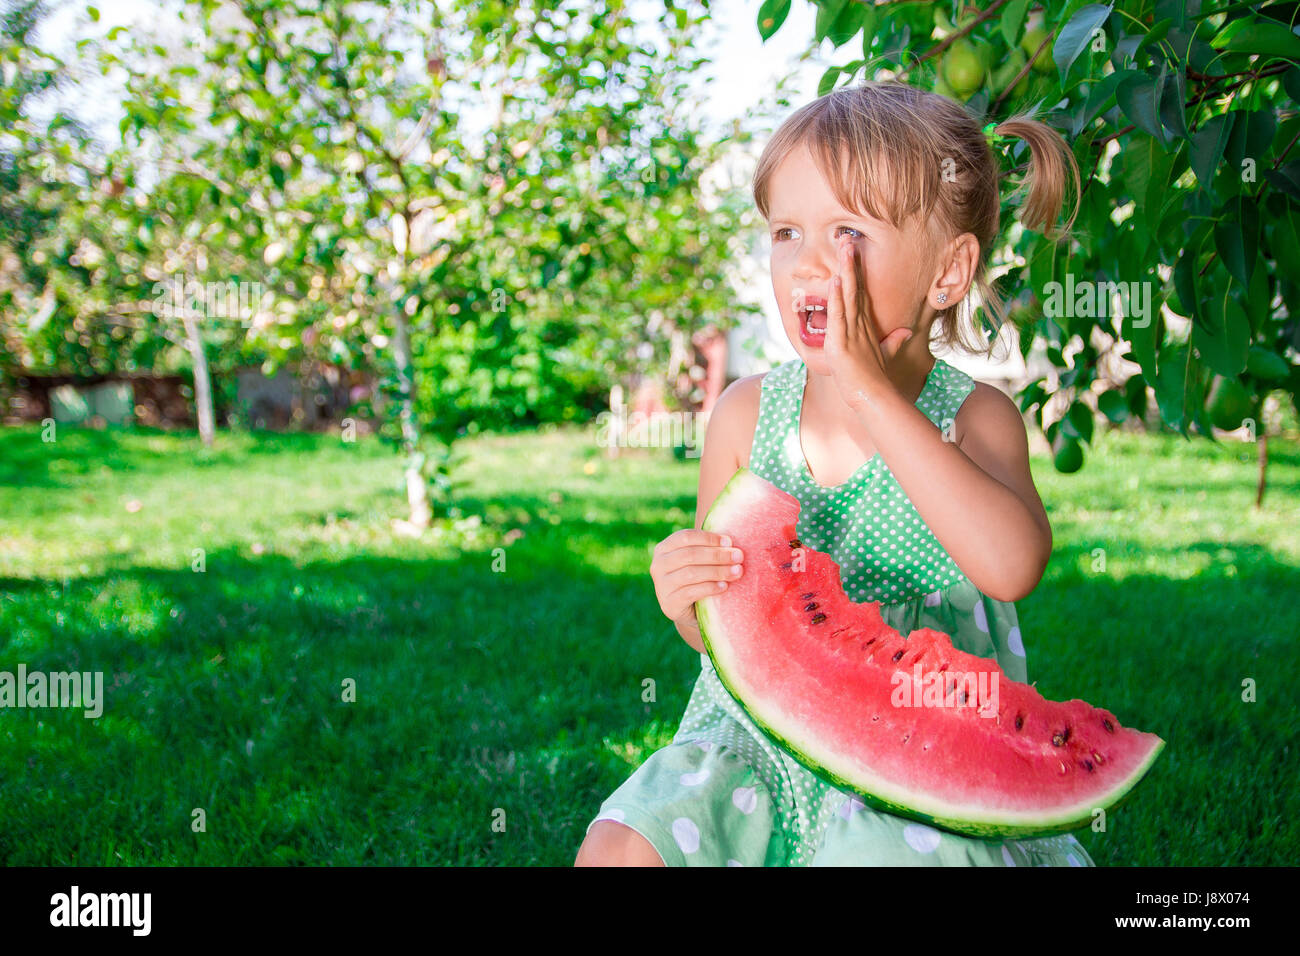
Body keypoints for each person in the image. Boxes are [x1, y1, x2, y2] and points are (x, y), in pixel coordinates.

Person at [575, 80, 1089, 866]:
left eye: (847, 230)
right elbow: (727, 635)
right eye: (786, 231)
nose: (808, 261)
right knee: (621, 847)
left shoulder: (976, 417)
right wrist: (685, 596)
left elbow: (1012, 564)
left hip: (925, 733)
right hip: (755, 738)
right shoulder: (747, 415)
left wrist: (872, 393)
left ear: (948, 273)